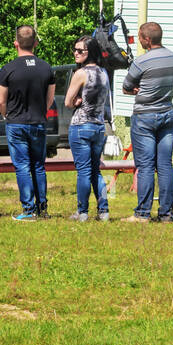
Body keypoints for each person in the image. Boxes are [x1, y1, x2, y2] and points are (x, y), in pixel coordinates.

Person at [122, 21, 173, 223]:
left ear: (147, 39)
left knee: (145, 165)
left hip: (145, 116)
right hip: (167, 113)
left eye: (139, 37)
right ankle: (166, 214)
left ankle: (142, 214)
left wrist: (137, 89)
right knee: (165, 165)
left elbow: (127, 86)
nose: (138, 40)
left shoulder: (142, 62)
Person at [0, 25, 55, 221]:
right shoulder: (46, 67)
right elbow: (50, 98)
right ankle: (42, 208)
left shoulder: (8, 69)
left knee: (22, 166)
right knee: (38, 166)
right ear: (35, 44)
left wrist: (7, 115)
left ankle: (28, 210)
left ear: (16, 44)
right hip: (38, 121)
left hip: (16, 123)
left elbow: (0, 101)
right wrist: (41, 112)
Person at [64, 35, 111, 221]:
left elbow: (68, 101)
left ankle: (82, 212)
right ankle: (104, 211)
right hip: (99, 126)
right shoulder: (104, 72)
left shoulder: (81, 73)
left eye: (80, 51)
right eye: (74, 50)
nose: (76, 53)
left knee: (83, 171)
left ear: (89, 52)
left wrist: (76, 101)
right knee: (95, 170)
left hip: (81, 125)